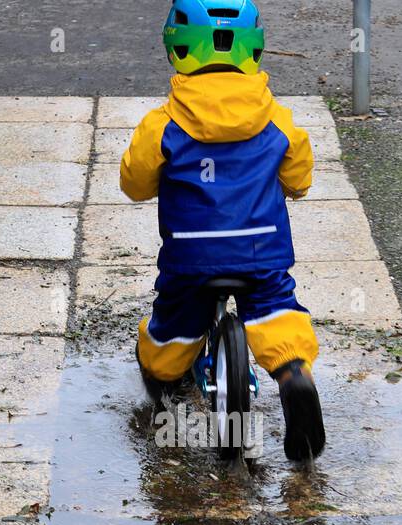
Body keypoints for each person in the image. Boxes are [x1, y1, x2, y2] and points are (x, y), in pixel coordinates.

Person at [120, 0, 325, 461]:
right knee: (275, 307)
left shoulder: (163, 124)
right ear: (254, 50)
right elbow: (301, 178)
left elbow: (133, 184)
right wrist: (285, 183)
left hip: (192, 257)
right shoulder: (276, 119)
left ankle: (164, 368)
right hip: (261, 249)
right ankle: (293, 374)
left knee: (173, 320)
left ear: (177, 49)